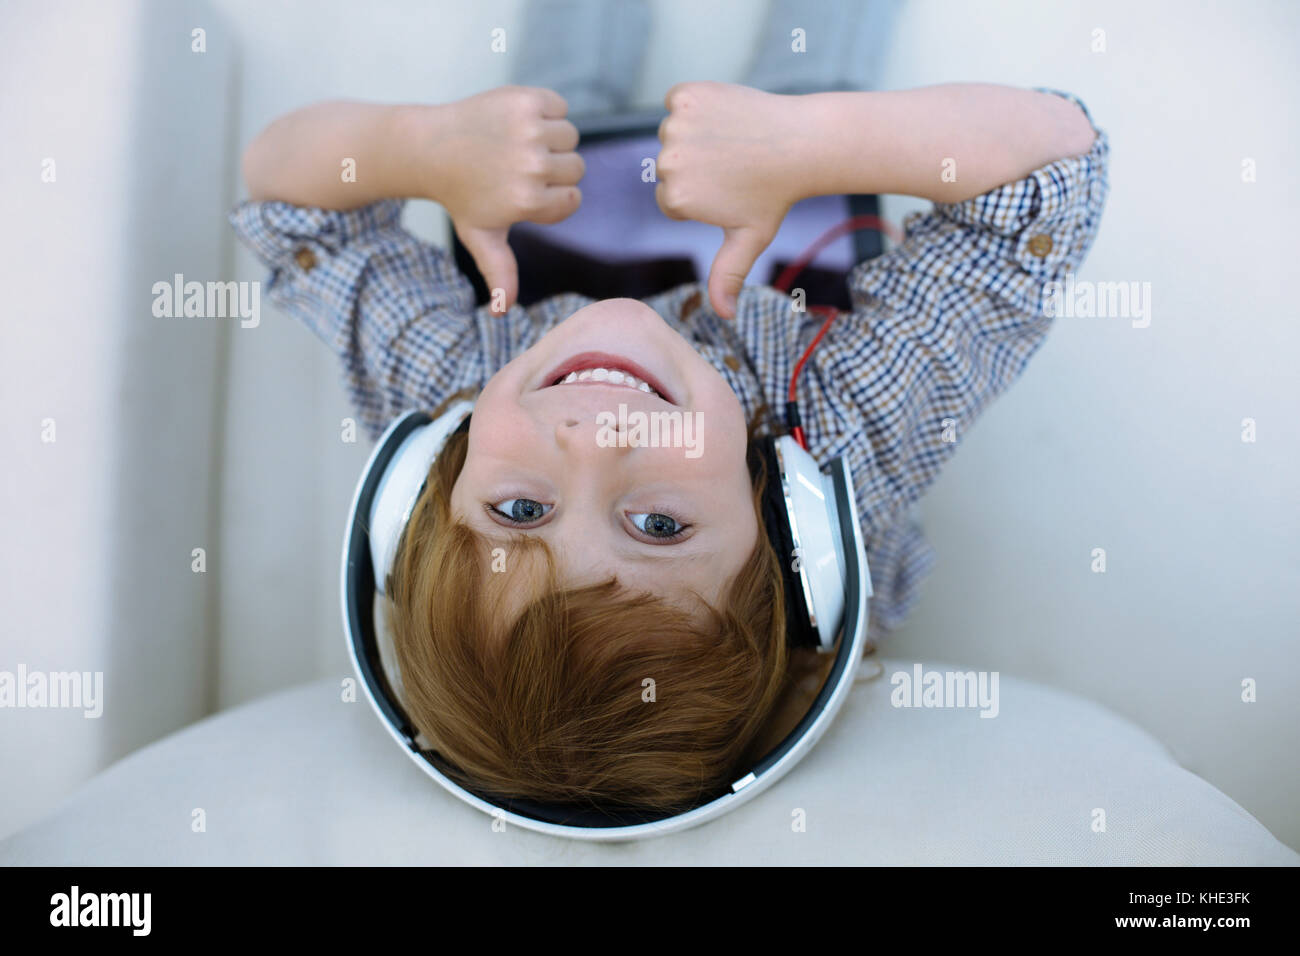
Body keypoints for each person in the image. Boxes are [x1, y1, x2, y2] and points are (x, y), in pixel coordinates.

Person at [230, 77, 1107, 812]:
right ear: (784, 531)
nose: (592, 441)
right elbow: (1058, 161)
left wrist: (422, 149)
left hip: (562, 206)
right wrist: (813, 137)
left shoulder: (448, 388)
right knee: (814, 70)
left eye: (521, 508)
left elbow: (282, 191)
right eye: (657, 525)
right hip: (789, 217)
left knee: (560, 100)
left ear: (430, 483)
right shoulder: (849, 426)